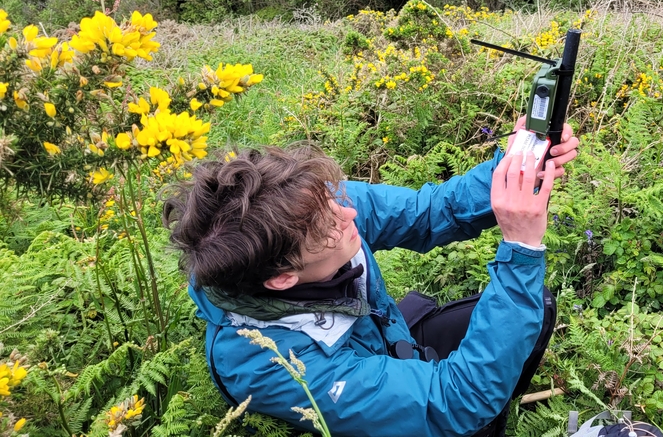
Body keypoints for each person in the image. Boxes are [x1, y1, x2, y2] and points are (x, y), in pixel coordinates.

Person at [163, 117, 579, 437]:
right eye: (329, 225)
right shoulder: (268, 362)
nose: (349, 214)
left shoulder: (308, 209)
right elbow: (452, 401)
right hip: (370, 408)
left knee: (534, 307)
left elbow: (429, 212)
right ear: (282, 278)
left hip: (389, 348)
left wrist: (512, 170)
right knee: (469, 400)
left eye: (332, 197)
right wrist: (521, 249)